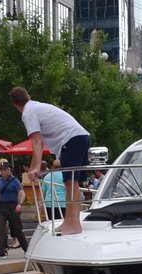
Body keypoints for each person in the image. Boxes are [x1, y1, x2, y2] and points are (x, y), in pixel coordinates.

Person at [11, 87, 90, 234]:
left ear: (15, 105)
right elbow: (39, 142)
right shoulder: (37, 106)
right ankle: (72, 222)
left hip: (71, 139)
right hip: (82, 136)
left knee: (70, 182)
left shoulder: (28, 112)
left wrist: (34, 168)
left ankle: (72, 224)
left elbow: (35, 141)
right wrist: (35, 167)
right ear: (28, 96)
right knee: (73, 183)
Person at [0, 159, 26, 257]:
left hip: (12, 206)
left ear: (9, 170)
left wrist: (20, 204)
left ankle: (27, 249)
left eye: (4, 170)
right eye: (1, 170)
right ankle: (1, 251)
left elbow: (22, 193)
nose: (3, 172)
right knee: (0, 227)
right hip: (2, 206)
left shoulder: (14, 180)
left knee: (17, 229)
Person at [38, 156, 67, 225]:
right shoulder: (65, 176)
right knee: (61, 222)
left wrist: (40, 202)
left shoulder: (47, 176)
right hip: (62, 202)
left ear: (53, 166)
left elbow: (43, 192)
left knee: (51, 223)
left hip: (49, 202)